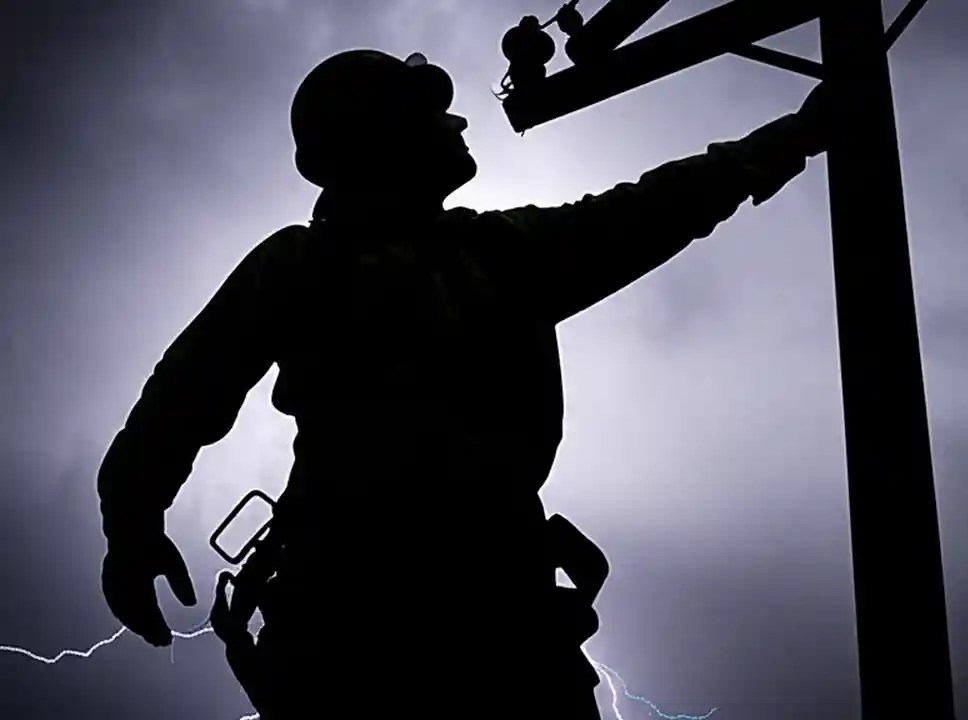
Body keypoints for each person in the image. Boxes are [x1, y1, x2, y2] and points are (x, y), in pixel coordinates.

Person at [98, 48, 831, 718]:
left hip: (455, 623)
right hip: (383, 632)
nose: (454, 120)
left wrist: (783, 143)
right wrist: (130, 526)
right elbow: (183, 396)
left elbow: (644, 213)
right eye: (426, 112)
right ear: (381, 140)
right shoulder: (331, 266)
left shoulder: (485, 253)